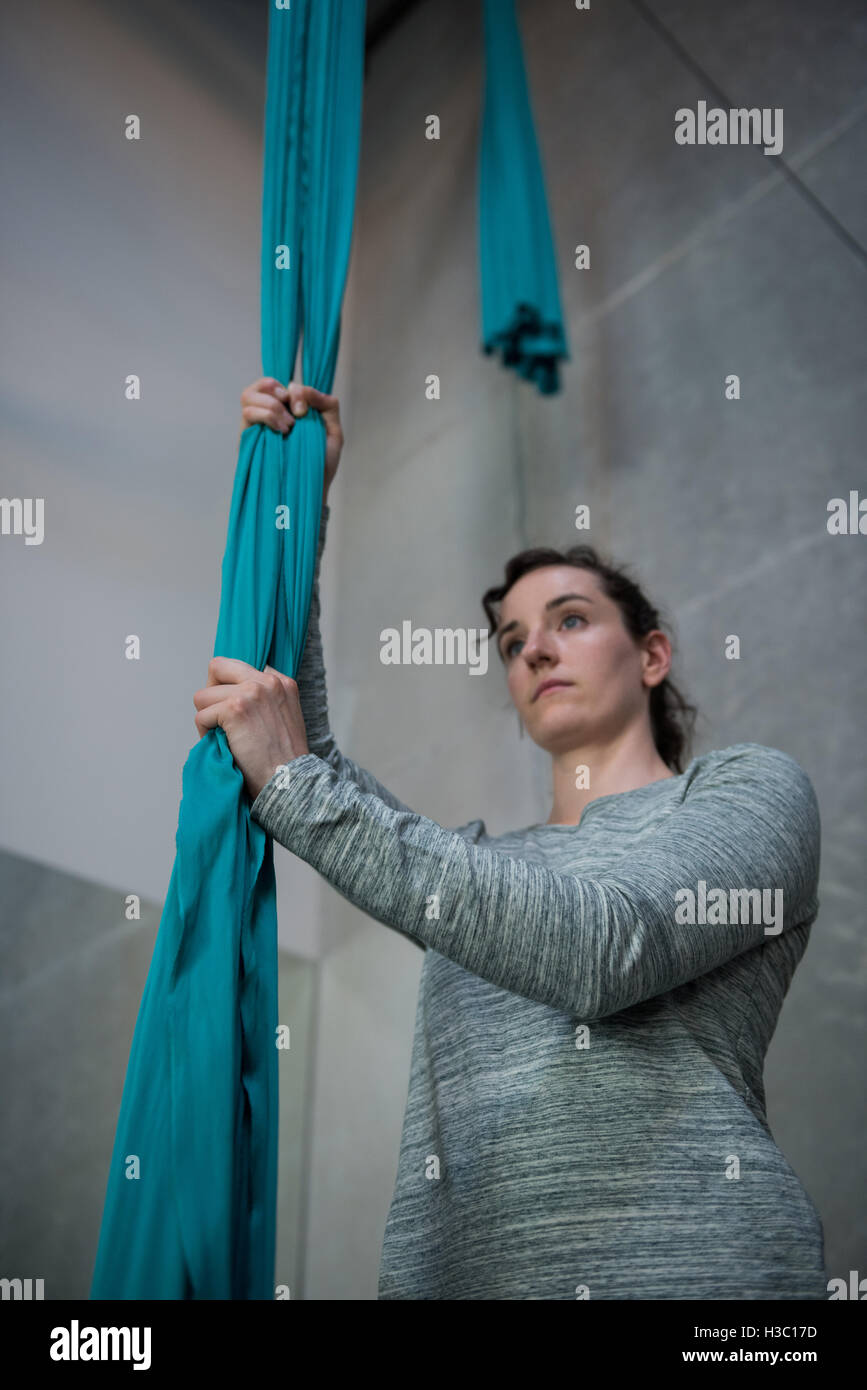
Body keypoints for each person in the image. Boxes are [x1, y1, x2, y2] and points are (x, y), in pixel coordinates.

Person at [192, 376, 828, 1301]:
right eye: (511, 639)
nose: (532, 650)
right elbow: (306, 757)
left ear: (650, 654)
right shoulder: (480, 867)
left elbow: (602, 946)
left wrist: (295, 785)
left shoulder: (750, 792)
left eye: (570, 620)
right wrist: (299, 499)